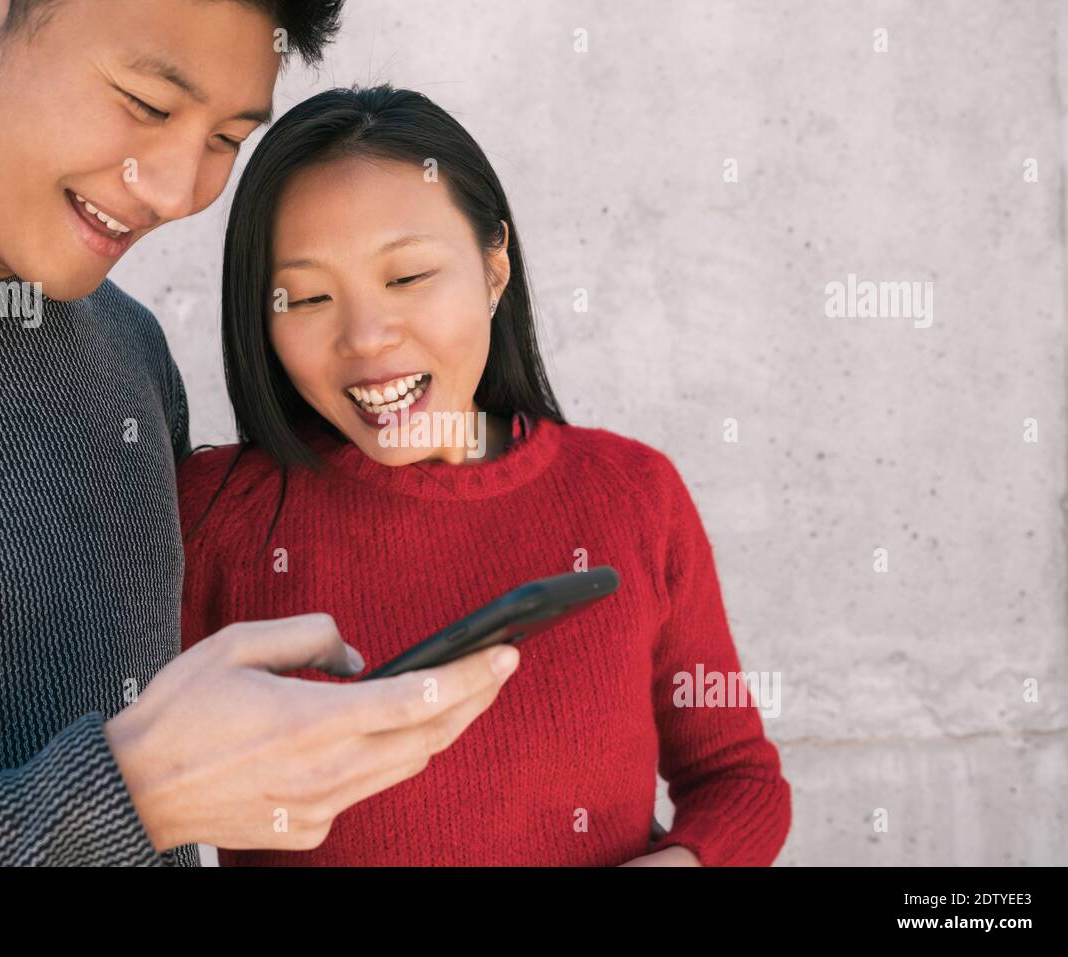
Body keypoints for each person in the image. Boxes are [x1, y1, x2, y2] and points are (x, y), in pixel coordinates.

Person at [0, 0, 520, 866]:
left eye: (226, 139)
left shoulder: (132, 353)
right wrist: (133, 799)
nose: (178, 192)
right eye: (146, 103)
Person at [179, 84, 794, 866]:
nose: (366, 338)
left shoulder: (633, 494)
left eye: (406, 278)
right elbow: (121, 795)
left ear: (494, 268)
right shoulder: (214, 517)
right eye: (306, 296)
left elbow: (736, 777)